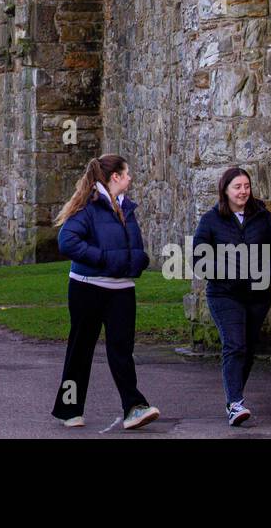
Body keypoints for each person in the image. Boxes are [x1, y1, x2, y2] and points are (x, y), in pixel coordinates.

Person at [50, 154, 161, 431]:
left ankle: (134, 407)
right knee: (80, 349)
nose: (130, 178)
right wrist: (103, 259)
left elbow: (132, 247)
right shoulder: (88, 208)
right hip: (87, 288)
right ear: (115, 177)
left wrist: (138, 260)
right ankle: (68, 409)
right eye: (127, 173)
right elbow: (67, 241)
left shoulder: (126, 208)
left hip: (121, 290)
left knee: (122, 350)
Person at [192, 165, 271, 426]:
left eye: (246, 186)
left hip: (257, 296)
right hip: (224, 294)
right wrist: (228, 271)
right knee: (234, 344)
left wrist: (267, 276)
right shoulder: (211, 220)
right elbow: (199, 259)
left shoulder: (262, 217)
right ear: (225, 190)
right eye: (237, 187)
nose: (243, 191)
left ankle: (236, 396)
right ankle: (235, 403)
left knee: (247, 348)